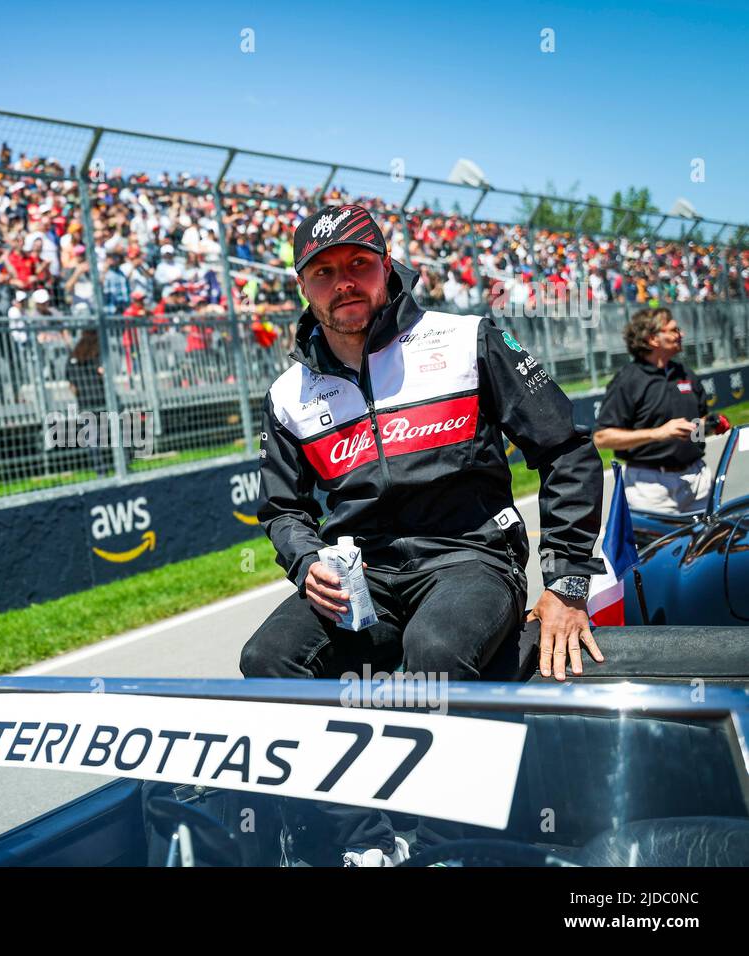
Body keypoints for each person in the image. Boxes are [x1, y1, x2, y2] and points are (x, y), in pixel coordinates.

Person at [239, 205, 604, 865]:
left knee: (433, 646)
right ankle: (361, 845)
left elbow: (568, 451)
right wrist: (306, 562)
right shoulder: (289, 391)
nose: (343, 282)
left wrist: (568, 584)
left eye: (358, 263)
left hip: (470, 557)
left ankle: (443, 850)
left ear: (387, 267)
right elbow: (282, 509)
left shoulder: (467, 336)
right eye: (323, 272)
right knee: (267, 659)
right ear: (303, 286)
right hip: (362, 574)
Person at [592, 307, 730, 514]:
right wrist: (659, 433)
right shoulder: (628, 380)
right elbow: (602, 438)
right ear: (652, 339)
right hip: (650, 488)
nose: (680, 334)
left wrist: (709, 426)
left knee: (707, 545)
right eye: (673, 330)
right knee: (659, 547)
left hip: (697, 479)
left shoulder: (684, 372)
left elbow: (696, 426)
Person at [64, 328, 108, 476]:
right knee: (113, 432)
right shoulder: (97, 355)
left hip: (84, 401)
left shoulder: (72, 357)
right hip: (101, 399)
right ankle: (122, 463)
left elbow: (72, 386)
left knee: (92, 438)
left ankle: (100, 469)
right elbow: (104, 375)